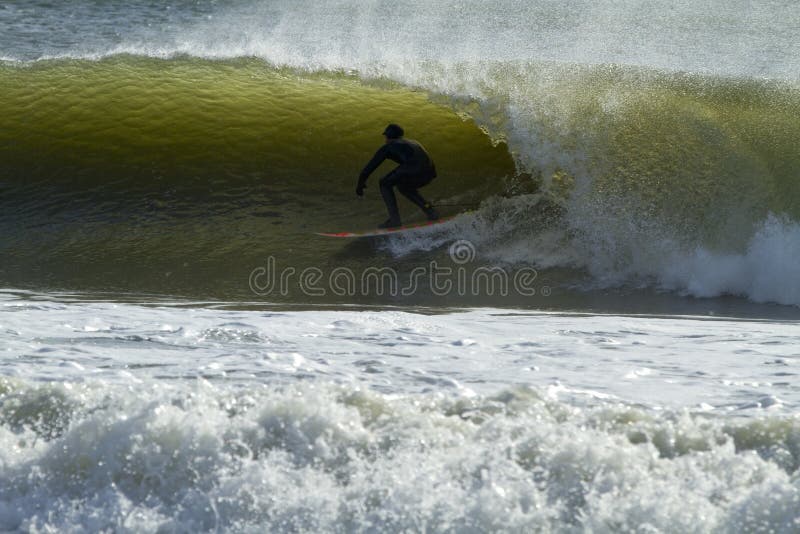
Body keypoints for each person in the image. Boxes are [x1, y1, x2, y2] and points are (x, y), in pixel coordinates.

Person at [356, 124, 440, 228]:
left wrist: (360, 185)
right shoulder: (413, 142)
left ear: (387, 137)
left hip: (414, 168)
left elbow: (367, 170)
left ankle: (394, 220)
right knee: (403, 187)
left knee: (384, 183)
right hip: (430, 173)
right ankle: (430, 211)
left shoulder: (389, 146)